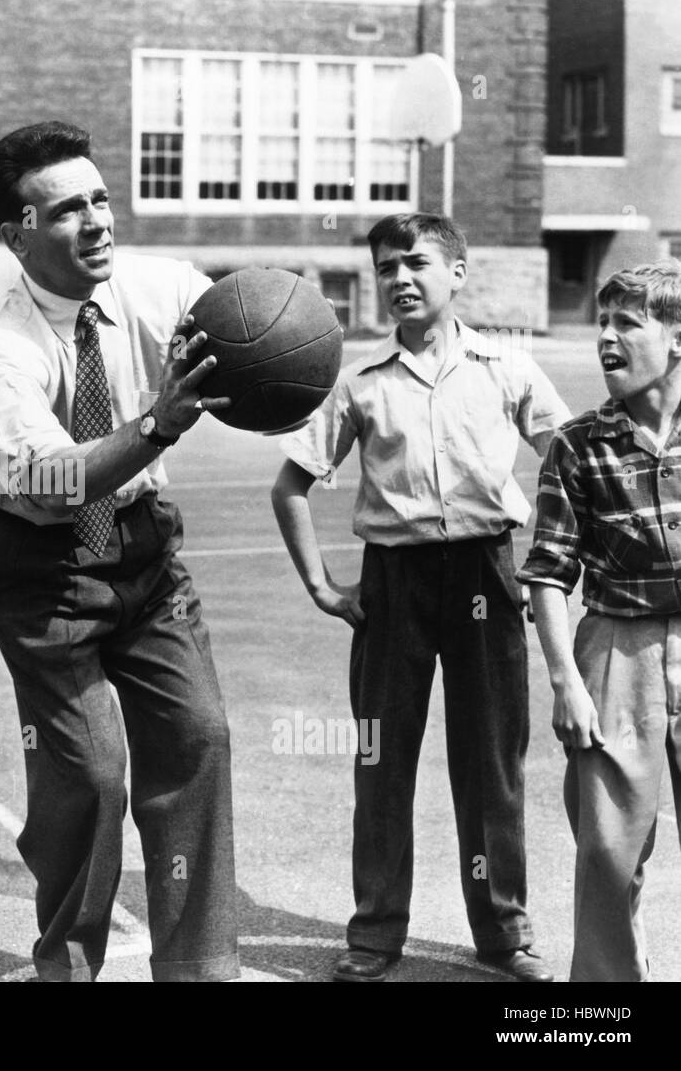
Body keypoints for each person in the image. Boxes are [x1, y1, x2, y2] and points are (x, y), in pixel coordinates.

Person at [0, 121, 239, 983]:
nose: (98, 221)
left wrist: (280, 353)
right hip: (41, 568)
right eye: (69, 209)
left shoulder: (159, 285)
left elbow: (255, 334)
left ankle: (197, 965)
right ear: (19, 235)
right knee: (92, 774)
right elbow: (54, 481)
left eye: (101, 198)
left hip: (145, 552)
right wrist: (159, 422)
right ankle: (66, 964)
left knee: (200, 736)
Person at [272, 212, 567, 983]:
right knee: (382, 762)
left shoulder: (507, 368)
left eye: (415, 263)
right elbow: (292, 484)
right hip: (393, 585)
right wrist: (322, 586)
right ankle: (375, 934)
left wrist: (553, 563)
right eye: (385, 269)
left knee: (490, 766)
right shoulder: (360, 383)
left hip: (485, 579)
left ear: (457, 273)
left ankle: (503, 931)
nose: (399, 279)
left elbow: (569, 463)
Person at [518, 259, 681, 982]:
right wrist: (566, 683)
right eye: (602, 323)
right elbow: (549, 573)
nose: (606, 338)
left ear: (676, 339)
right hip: (618, 649)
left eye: (628, 323)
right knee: (610, 848)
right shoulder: (579, 443)